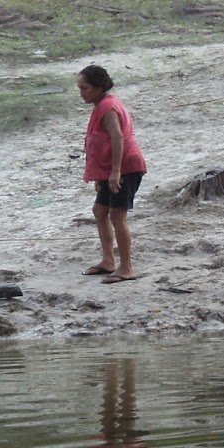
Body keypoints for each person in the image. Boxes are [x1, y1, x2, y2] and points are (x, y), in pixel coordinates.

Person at [76, 63, 146, 283]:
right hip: (111, 169)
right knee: (99, 210)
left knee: (117, 215)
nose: (82, 94)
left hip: (126, 167)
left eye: (85, 88)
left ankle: (127, 267)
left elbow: (117, 138)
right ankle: (108, 260)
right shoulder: (101, 105)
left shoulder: (108, 107)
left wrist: (115, 173)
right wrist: (100, 176)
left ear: (98, 87)